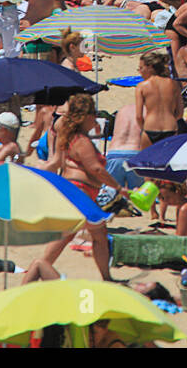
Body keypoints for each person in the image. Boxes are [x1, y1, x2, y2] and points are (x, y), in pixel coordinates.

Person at [40, 94, 127, 280]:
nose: (95, 118)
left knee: (94, 234)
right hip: (80, 192)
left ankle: (106, 277)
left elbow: (57, 163)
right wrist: (118, 187)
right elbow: (95, 169)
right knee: (75, 234)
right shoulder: (82, 141)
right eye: (93, 114)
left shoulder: (69, 137)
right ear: (86, 116)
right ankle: (40, 266)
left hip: (74, 190)